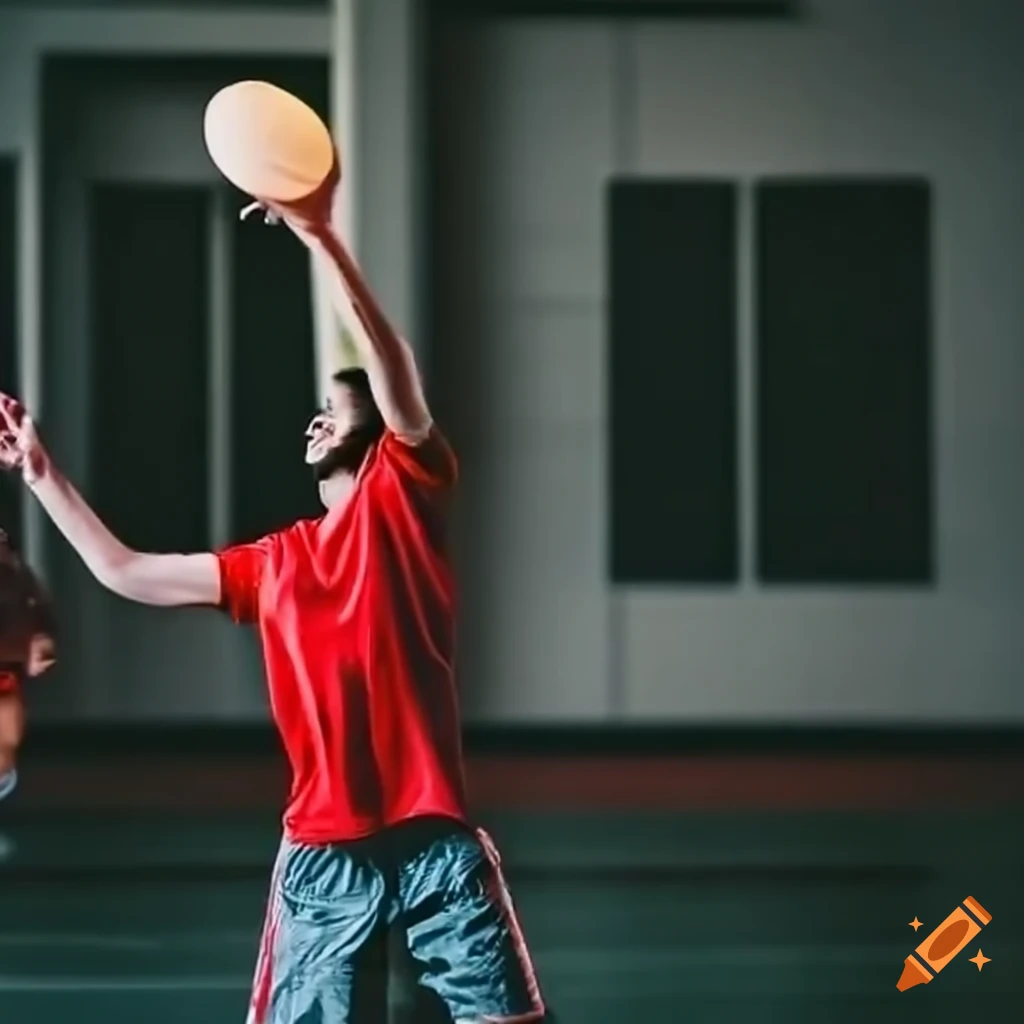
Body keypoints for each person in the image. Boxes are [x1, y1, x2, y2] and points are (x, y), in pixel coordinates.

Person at [0, 168, 546, 1024]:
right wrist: (40, 475)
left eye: (333, 409)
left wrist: (320, 236)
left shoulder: (408, 497)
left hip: (435, 842)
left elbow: (388, 364)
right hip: (324, 855)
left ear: (373, 434)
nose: (315, 421)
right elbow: (127, 572)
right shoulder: (274, 564)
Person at [0, 529, 58, 802]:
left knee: (6, 737)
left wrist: (40, 641)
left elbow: (41, 620)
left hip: (6, 670)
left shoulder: (20, 582)